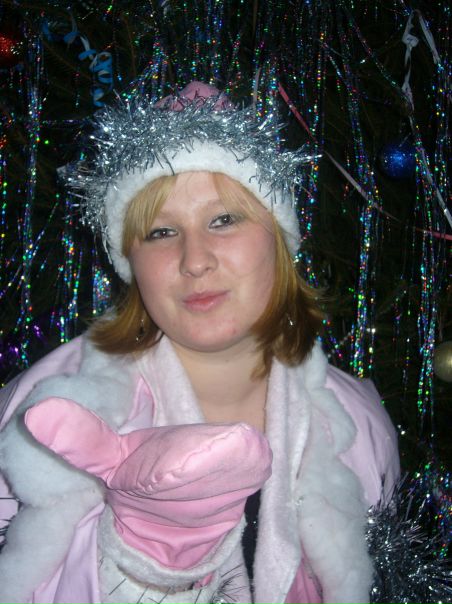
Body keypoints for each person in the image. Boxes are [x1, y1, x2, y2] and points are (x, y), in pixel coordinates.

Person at [0, 82, 399, 604]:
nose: (195, 261)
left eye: (224, 220)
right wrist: (148, 563)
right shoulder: (35, 417)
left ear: (279, 240)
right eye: (161, 232)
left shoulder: (357, 423)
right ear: (130, 262)